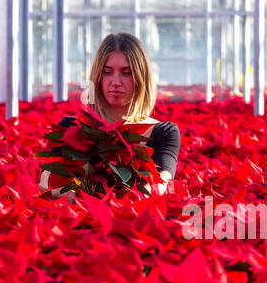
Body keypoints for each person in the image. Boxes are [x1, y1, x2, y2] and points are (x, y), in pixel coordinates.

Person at [39, 33, 180, 197]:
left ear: (141, 78)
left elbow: (161, 185)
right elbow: (46, 182)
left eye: (126, 73)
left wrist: (122, 201)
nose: (116, 81)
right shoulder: (72, 128)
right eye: (107, 72)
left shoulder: (164, 132)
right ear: (98, 77)